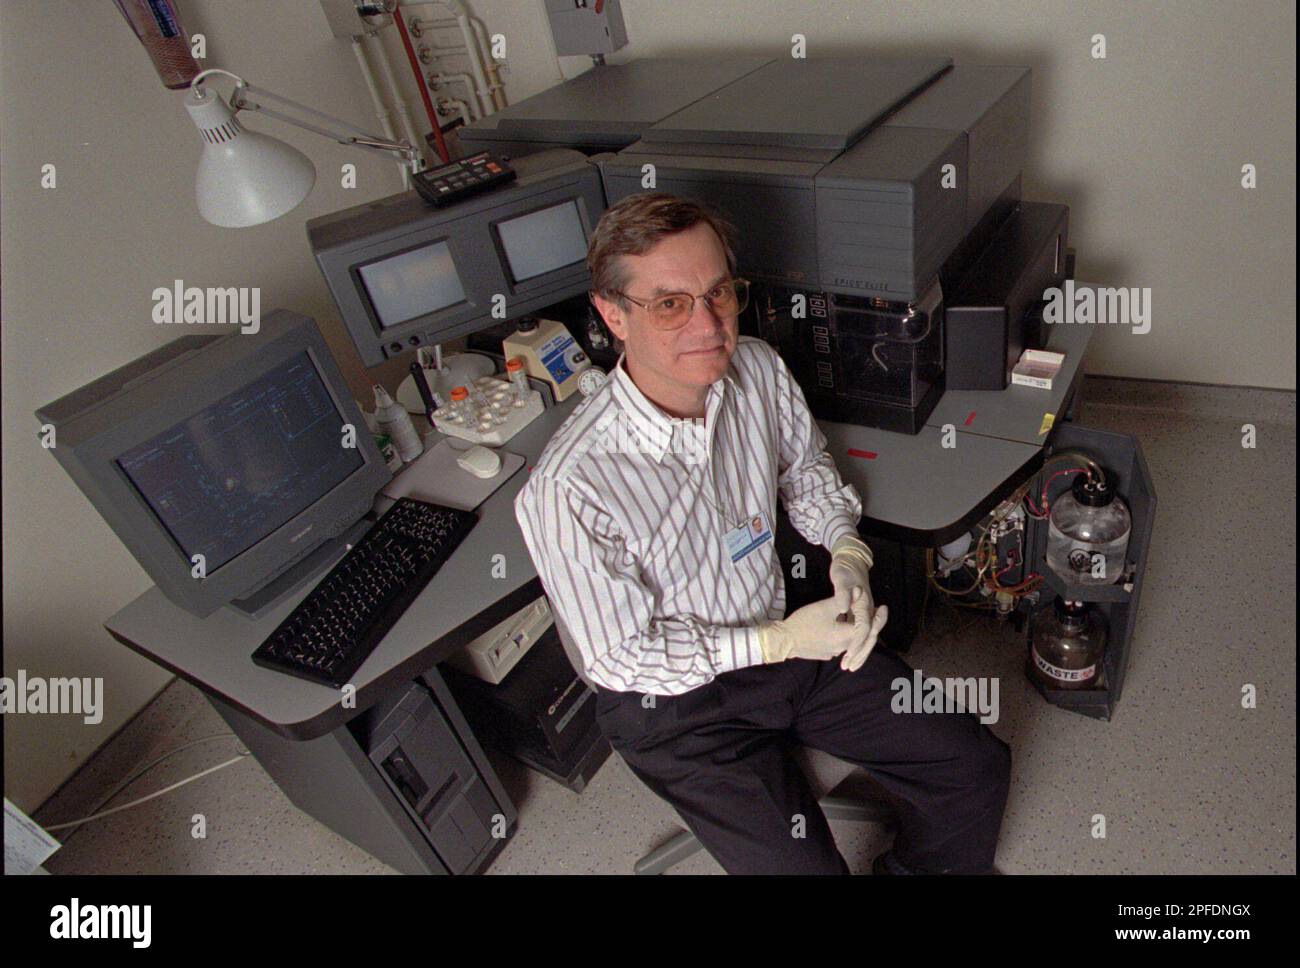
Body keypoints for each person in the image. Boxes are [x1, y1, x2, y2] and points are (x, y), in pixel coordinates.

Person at [515, 192, 1011, 874]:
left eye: (719, 291)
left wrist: (847, 552)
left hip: (789, 645)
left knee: (971, 766)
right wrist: (776, 640)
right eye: (670, 303)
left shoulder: (754, 367)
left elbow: (805, 472)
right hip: (680, 707)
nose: (708, 322)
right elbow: (619, 659)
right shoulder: (568, 487)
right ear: (612, 315)